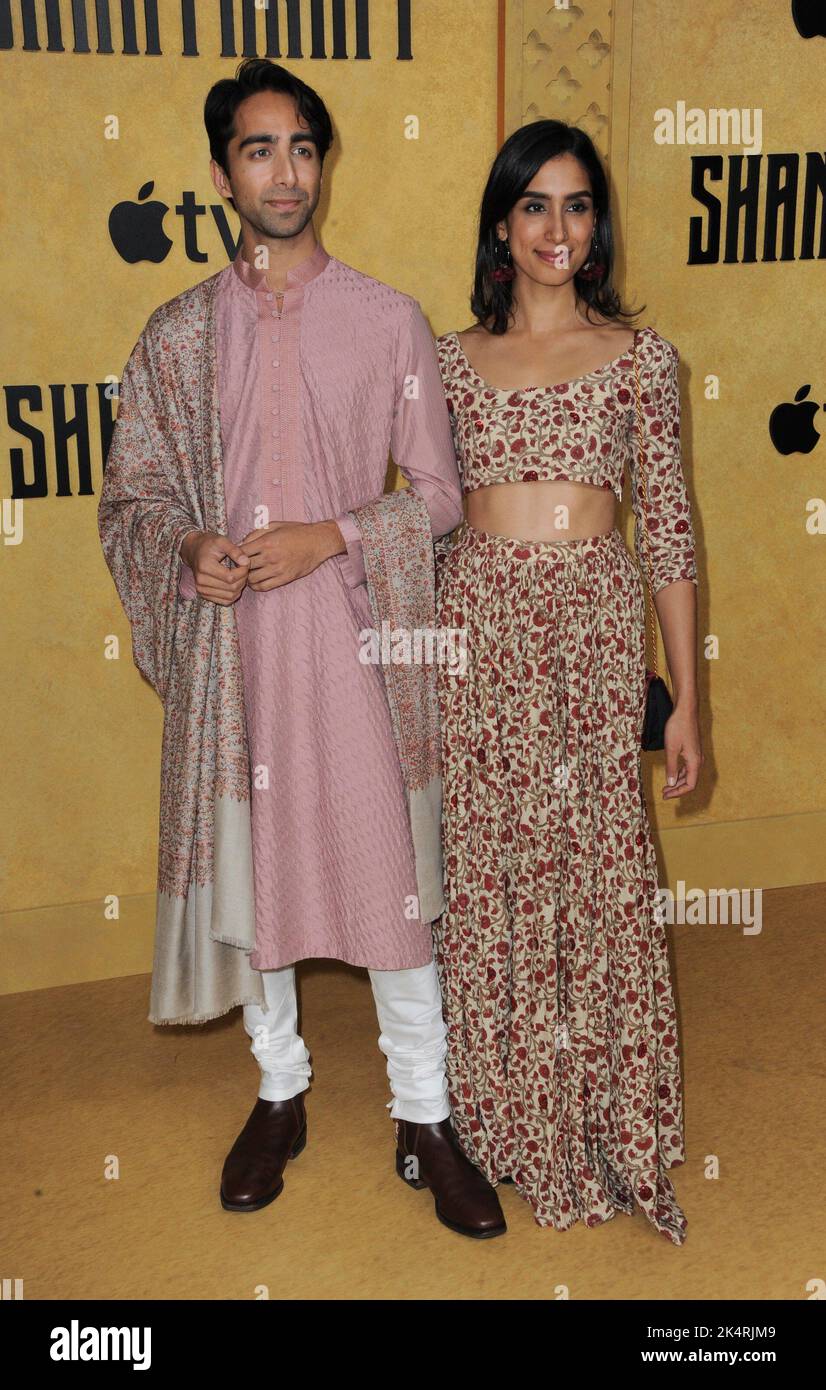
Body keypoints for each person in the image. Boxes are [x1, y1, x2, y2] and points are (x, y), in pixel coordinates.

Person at [98, 57, 505, 1239]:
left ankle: (425, 1113)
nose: (285, 171)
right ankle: (278, 1092)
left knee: (392, 875)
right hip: (236, 656)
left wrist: (332, 534)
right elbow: (130, 497)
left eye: (303, 148)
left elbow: (439, 494)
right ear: (222, 170)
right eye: (259, 149)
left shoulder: (388, 322)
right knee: (257, 872)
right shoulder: (176, 335)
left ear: (324, 164)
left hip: (358, 642)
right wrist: (185, 545)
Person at [432, 119, 702, 1245]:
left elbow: (674, 534)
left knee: (596, 861)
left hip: (593, 623)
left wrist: (687, 697)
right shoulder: (445, 360)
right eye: (534, 205)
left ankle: (607, 1107)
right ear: (502, 222)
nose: (557, 227)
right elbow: (416, 517)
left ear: (598, 225)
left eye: (577, 204)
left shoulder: (642, 360)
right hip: (479, 621)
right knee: (495, 867)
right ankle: (503, 1111)